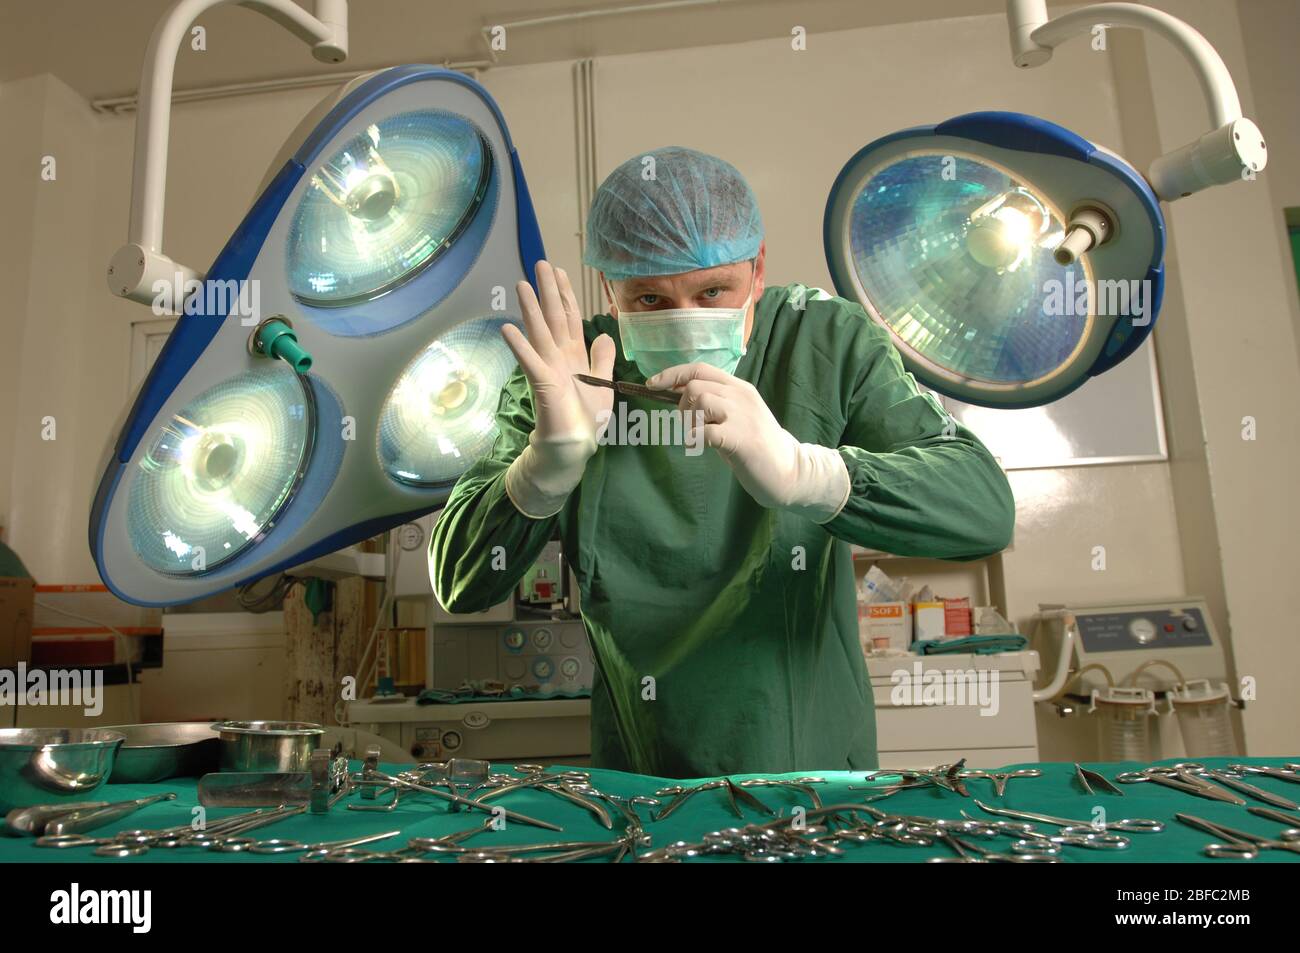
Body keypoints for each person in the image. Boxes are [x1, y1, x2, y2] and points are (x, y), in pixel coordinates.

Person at [430, 146, 1015, 777]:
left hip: (808, 768)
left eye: (713, 291)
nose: (685, 320)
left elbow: (983, 510)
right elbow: (461, 584)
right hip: (644, 775)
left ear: (758, 269)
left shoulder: (821, 338)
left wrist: (807, 474)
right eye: (649, 300)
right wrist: (544, 470)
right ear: (609, 288)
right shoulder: (573, 371)